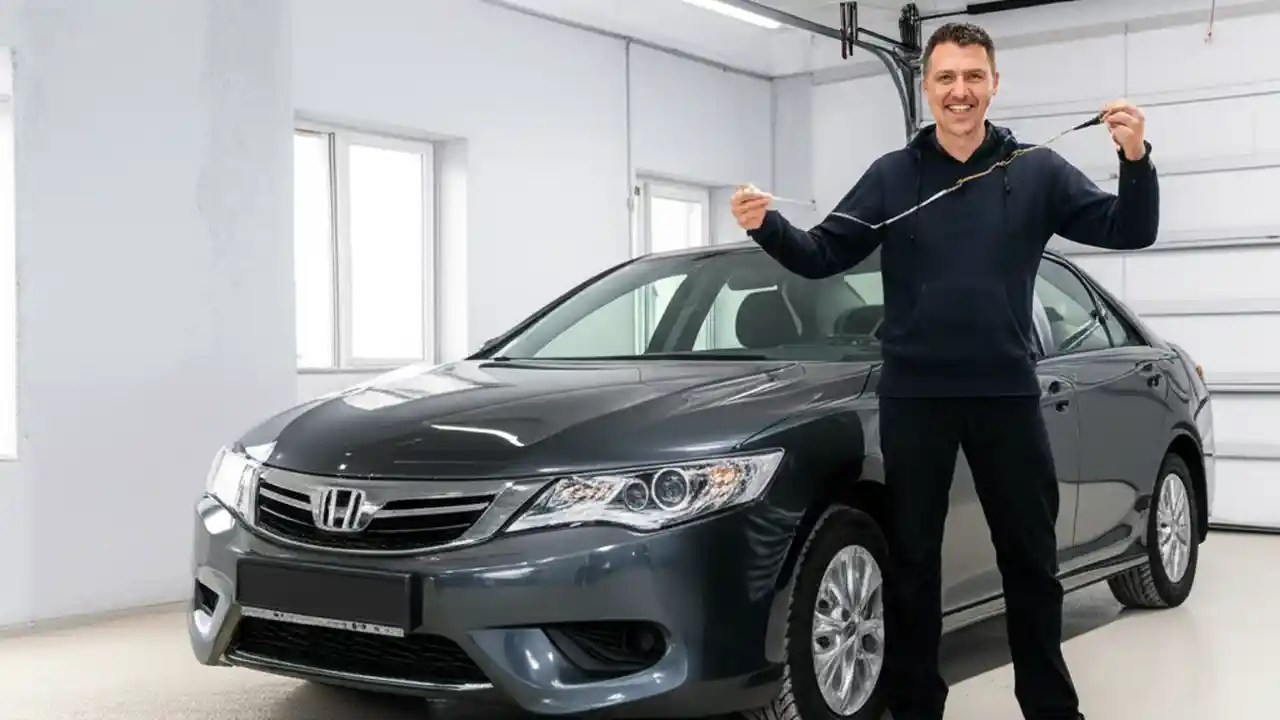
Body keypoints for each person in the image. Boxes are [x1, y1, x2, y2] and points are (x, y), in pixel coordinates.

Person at [731, 21, 1158, 720]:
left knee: (1031, 565)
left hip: (1007, 397)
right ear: (927, 88)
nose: (960, 92)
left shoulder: (1037, 171)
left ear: (994, 83)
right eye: (946, 79)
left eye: (973, 77)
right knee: (914, 568)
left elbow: (1129, 229)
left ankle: (1051, 708)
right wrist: (765, 225)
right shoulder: (892, 177)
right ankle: (916, 708)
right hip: (917, 401)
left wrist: (1135, 159)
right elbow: (821, 254)